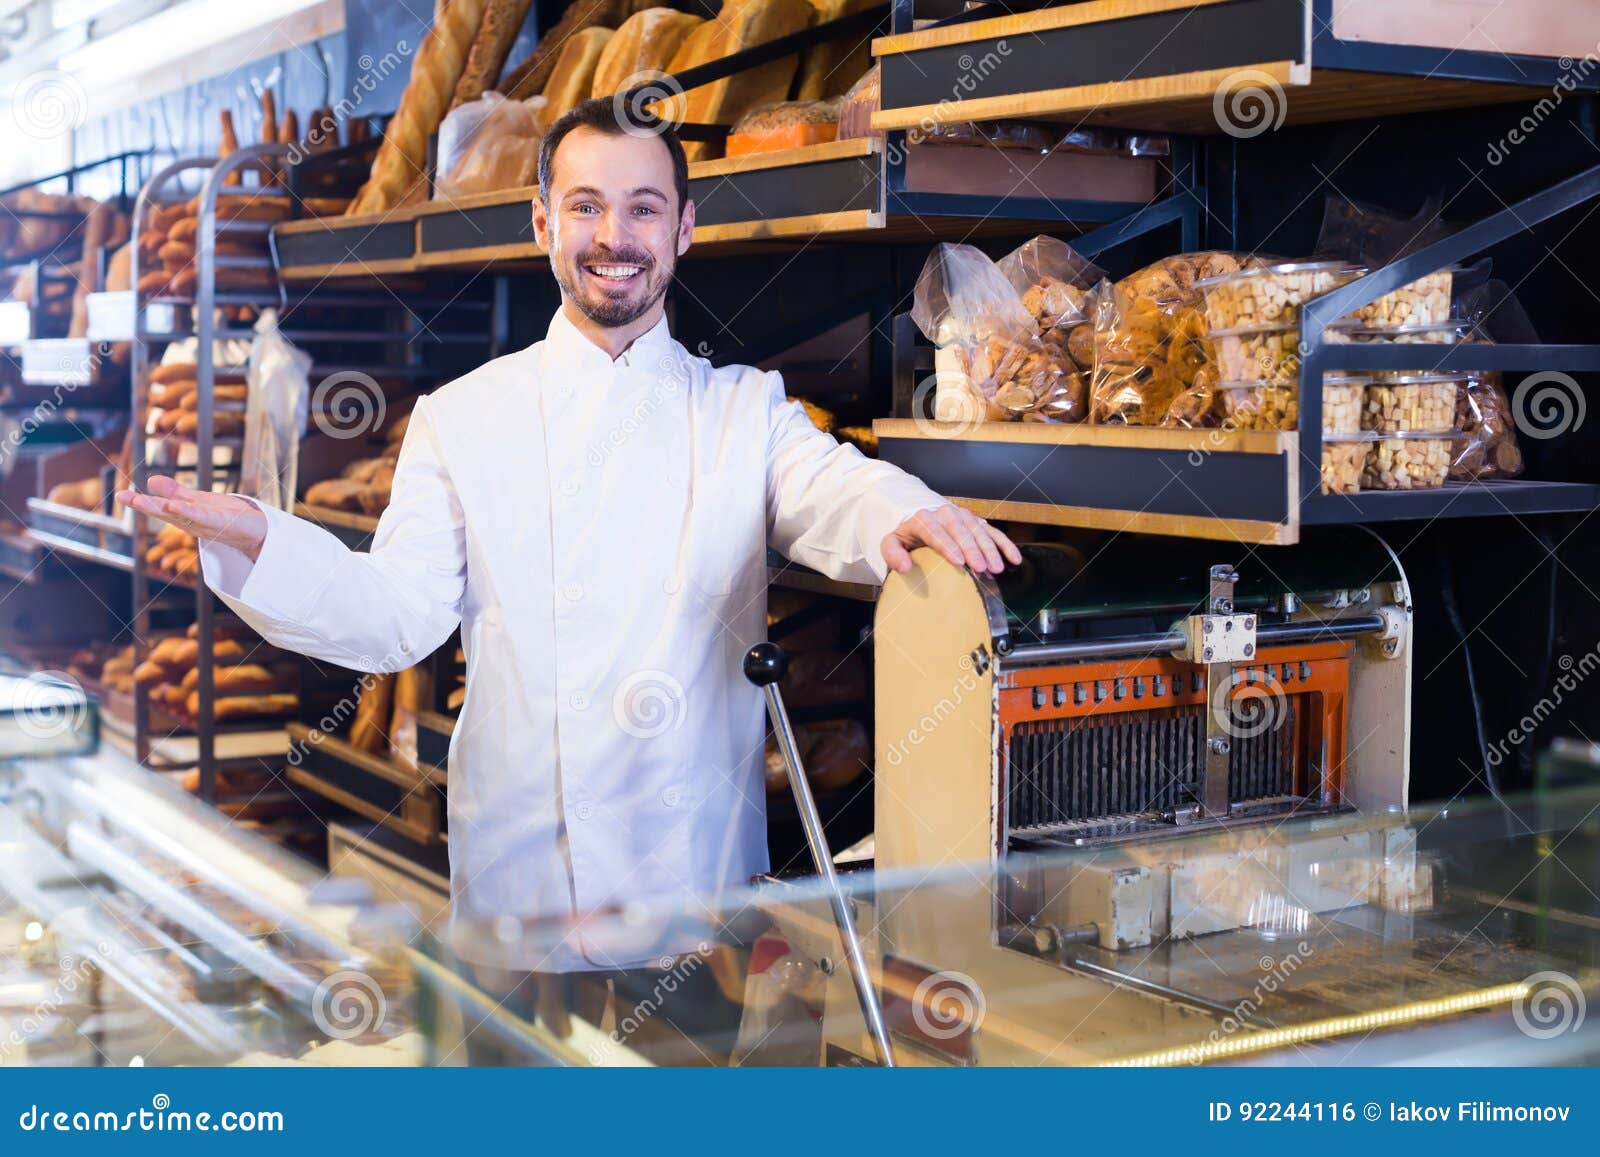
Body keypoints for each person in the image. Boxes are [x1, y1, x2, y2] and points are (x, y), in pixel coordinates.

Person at [119, 99, 1019, 993]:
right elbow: (394, 617)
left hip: (694, 906)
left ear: (684, 228)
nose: (613, 235)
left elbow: (838, 489)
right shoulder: (462, 418)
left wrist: (912, 512)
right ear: (544, 221)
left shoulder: (746, 411)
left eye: (643, 207)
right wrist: (264, 543)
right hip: (518, 900)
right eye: (586, 205)